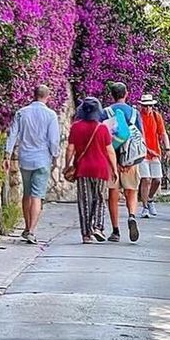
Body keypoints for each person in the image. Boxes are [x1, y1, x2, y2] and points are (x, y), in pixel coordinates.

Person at [5, 84, 60, 244]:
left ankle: (27, 227)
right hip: (42, 159)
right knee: (37, 195)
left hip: (25, 159)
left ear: (33, 95)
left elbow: (12, 134)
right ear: (47, 97)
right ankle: (32, 230)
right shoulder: (51, 115)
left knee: (27, 193)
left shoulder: (22, 113)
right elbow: (53, 140)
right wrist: (55, 156)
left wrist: (7, 155)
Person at [64, 97, 118, 244]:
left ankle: (86, 235)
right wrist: (114, 169)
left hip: (83, 169)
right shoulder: (102, 128)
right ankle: (98, 227)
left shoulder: (76, 127)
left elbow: (70, 149)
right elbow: (110, 151)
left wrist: (67, 164)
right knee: (100, 198)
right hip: (101, 169)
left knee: (85, 201)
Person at [102, 82, 142, 244]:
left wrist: (114, 162)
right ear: (126, 94)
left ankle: (115, 230)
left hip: (112, 159)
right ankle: (132, 216)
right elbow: (140, 138)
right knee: (131, 192)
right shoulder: (134, 113)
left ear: (112, 95)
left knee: (113, 194)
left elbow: (103, 138)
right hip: (131, 159)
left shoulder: (106, 112)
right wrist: (132, 161)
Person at [138, 93, 170, 216]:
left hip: (155, 152)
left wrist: (168, 149)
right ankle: (145, 207)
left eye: (149, 106)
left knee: (157, 180)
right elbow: (137, 137)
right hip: (142, 153)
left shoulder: (156, 116)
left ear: (152, 106)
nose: (146, 108)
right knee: (146, 179)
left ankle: (150, 199)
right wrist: (147, 150)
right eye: (144, 106)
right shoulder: (138, 117)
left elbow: (163, 133)